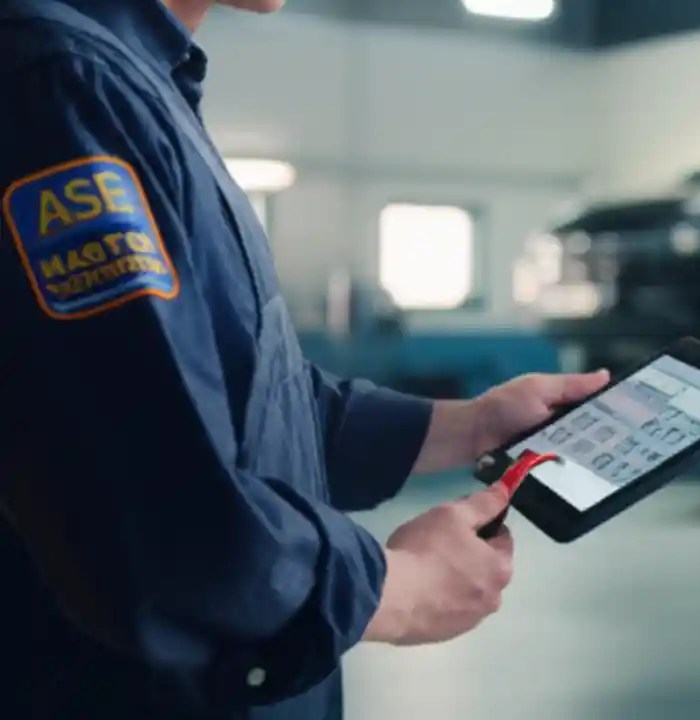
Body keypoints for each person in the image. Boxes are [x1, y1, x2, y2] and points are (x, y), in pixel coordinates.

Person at [0, 0, 609, 718]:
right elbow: (164, 518)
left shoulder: (137, 80)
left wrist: (470, 425)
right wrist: (398, 587)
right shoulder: (63, 87)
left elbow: (242, 401)